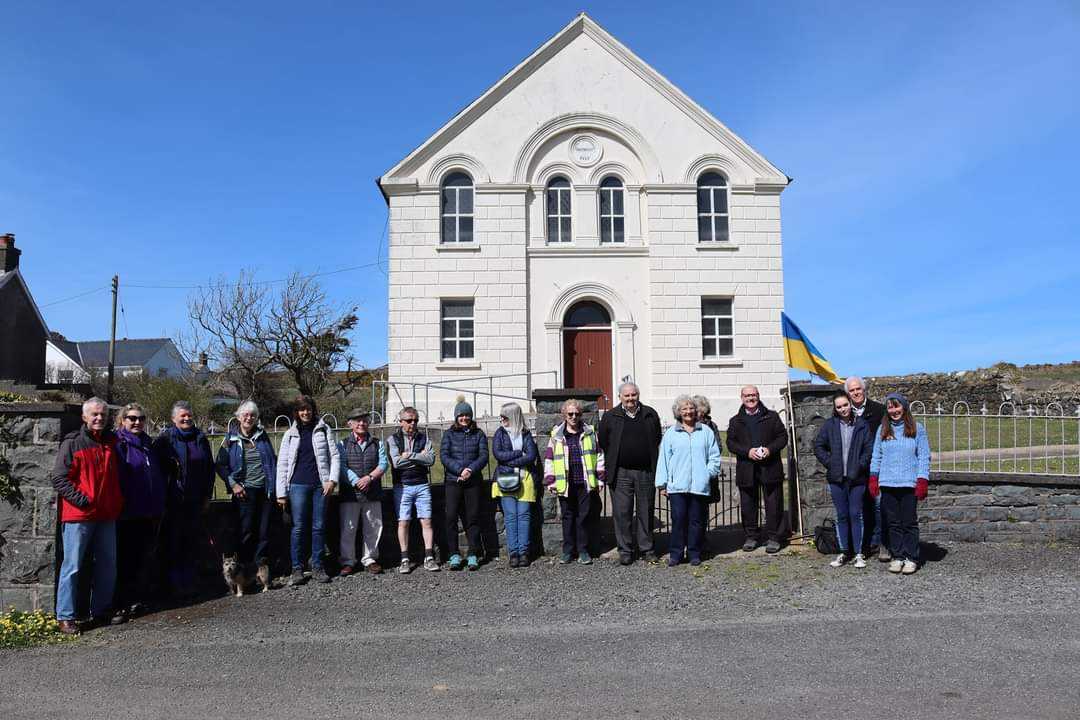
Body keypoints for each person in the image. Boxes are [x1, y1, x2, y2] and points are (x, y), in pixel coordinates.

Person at [51, 397, 124, 635]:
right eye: (94, 414)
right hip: (79, 515)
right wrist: (82, 499)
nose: (99, 418)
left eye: (103, 414)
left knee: (107, 565)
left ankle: (101, 609)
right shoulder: (73, 443)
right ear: (84, 417)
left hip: (106, 513)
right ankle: (66, 616)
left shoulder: (112, 442)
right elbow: (59, 478)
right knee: (72, 566)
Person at [275, 395, 340, 586]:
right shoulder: (290, 434)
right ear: (297, 412)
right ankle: (297, 569)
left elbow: (335, 456)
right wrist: (281, 493)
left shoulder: (324, 429)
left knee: (319, 526)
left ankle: (318, 566)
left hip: (321, 486)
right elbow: (282, 463)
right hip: (297, 485)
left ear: (313, 410)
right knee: (298, 527)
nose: (306, 412)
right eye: (302, 409)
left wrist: (332, 480)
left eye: (308, 409)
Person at [112, 402, 167, 623]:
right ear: (122, 420)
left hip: (148, 512)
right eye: (132, 418)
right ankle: (121, 604)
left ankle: (136, 600)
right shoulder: (119, 444)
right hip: (128, 513)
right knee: (125, 560)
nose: (137, 422)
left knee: (141, 558)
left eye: (141, 418)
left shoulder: (147, 444)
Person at [597, 382, 663, 565]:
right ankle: (625, 550)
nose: (630, 399)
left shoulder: (650, 414)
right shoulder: (610, 416)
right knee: (622, 513)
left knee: (646, 512)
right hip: (620, 473)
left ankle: (647, 549)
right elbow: (603, 441)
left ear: (638, 395)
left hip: (645, 472)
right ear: (620, 397)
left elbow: (657, 437)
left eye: (633, 395)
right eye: (626, 396)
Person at [215, 401, 278, 584]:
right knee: (246, 531)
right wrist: (234, 484)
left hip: (265, 490)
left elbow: (272, 461)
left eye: (253, 415)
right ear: (238, 417)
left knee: (264, 531)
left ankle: (260, 572)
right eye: (245, 415)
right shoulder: (230, 439)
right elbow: (220, 465)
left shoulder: (262, 436)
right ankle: (243, 572)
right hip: (243, 491)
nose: (249, 418)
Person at [868, 393, 931, 575]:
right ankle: (898, 556)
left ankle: (911, 557)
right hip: (888, 484)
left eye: (897, 406)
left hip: (909, 484)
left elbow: (924, 456)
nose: (894, 411)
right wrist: (873, 478)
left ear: (904, 407)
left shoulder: (917, 429)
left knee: (909, 522)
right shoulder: (883, 429)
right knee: (893, 523)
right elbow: (876, 456)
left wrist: (922, 479)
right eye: (890, 407)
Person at [655, 395, 721, 567]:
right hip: (677, 486)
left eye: (691, 408)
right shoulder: (671, 433)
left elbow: (714, 457)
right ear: (678, 412)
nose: (688, 411)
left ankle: (694, 553)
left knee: (696, 521)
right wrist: (662, 484)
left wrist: (707, 474)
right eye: (684, 409)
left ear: (696, 410)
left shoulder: (706, 432)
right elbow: (663, 459)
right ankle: (676, 553)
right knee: (678, 520)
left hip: (699, 485)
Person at [159, 401, 216, 600]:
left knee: (192, 542)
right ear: (173, 418)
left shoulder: (200, 438)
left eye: (189, 415)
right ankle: (175, 585)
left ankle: (191, 583)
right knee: (174, 543)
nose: (186, 418)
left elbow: (209, 469)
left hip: (195, 500)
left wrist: (207, 496)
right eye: (182, 415)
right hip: (174, 501)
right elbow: (159, 470)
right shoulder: (166, 440)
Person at [812, 393, 875, 569]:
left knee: (855, 514)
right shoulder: (830, 425)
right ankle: (844, 551)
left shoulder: (862, 425)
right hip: (837, 478)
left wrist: (860, 465)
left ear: (850, 404)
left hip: (857, 478)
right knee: (841, 515)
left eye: (845, 405)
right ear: (835, 409)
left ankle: (858, 553)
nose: (843, 409)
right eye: (839, 407)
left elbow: (869, 448)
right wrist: (830, 462)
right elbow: (818, 446)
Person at [726, 385, 788, 554]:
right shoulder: (735, 421)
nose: (750, 398)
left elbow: (782, 437)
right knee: (748, 505)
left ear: (758, 396)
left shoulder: (772, 416)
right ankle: (751, 537)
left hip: (770, 467)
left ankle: (774, 537)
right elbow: (730, 443)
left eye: (753, 395)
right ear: (742, 398)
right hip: (747, 468)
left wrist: (769, 449)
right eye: (747, 396)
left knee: (774, 504)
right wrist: (747, 451)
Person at [543, 399, 605, 565]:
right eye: (570, 414)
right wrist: (551, 481)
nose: (573, 417)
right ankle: (568, 551)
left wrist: (600, 479)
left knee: (583, 517)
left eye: (577, 414)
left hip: (584, 482)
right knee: (568, 517)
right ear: (564, 415)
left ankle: (583, 550)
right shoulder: (556, 435)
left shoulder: (590, 432)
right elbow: (549, 459)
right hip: (565, 483)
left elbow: (599, 455)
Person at [386, 406, 438, 573]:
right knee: (403, 522)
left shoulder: (424, 438)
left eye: (415, 420)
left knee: (426, 521)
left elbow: (431, 460)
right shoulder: (393, 439)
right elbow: (396, 463)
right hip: (402, 485)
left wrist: (410, 455)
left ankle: (429, 557)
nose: (413, 423)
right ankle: (404, 559)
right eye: (409, 420)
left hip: (422, 484)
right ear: (401, 422)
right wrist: (420, 457)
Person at [336, 408, 388, 576]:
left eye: (364, 420)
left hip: (372, 492)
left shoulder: (377, 443)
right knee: (348, 528)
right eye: (357, 420)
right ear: (350, 424)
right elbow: (341, 466)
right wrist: (356, 481)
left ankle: (370, 559)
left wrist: (369, 478)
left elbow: (383, 464)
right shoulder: (343, 444)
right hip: (350, 494)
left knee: (373, 526)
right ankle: (348, 561)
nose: (361, 423)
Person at [440, 398, 490, 571]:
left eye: (467, 415)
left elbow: (483, 456)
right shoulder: (449, 434)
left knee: (473, 517)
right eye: (461, 415)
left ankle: (473, 553)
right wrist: (460, 470)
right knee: (451, 517)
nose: (464, 418)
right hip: (453, 481)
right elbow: (444, 456)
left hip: (473, 481)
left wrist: (470, 470)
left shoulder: (479, 434)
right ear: (456, 417)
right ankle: (454, 554)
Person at [845, 375, 889, 561]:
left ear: (864, 390)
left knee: (879, 505)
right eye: (852, 390)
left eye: (858, 389)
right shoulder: (845, 411)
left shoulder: (879, 410)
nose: (856, 393)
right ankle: (864, 544)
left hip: (876, 466)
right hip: (854, 469)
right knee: (861, 507)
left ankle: (882, 543)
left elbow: (887, 434)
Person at [491, 402, 539, 568]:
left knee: (524, 515)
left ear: (513, 417)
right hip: (506, 479)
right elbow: (498, 454)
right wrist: (519, 453)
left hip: (525, 478)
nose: (501, 420)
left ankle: (524, 552)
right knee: (511, 516)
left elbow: (531, 456)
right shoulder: (499, 433)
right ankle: (514, 553)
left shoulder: (525, 434)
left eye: (504, 417)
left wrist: (511, 460)